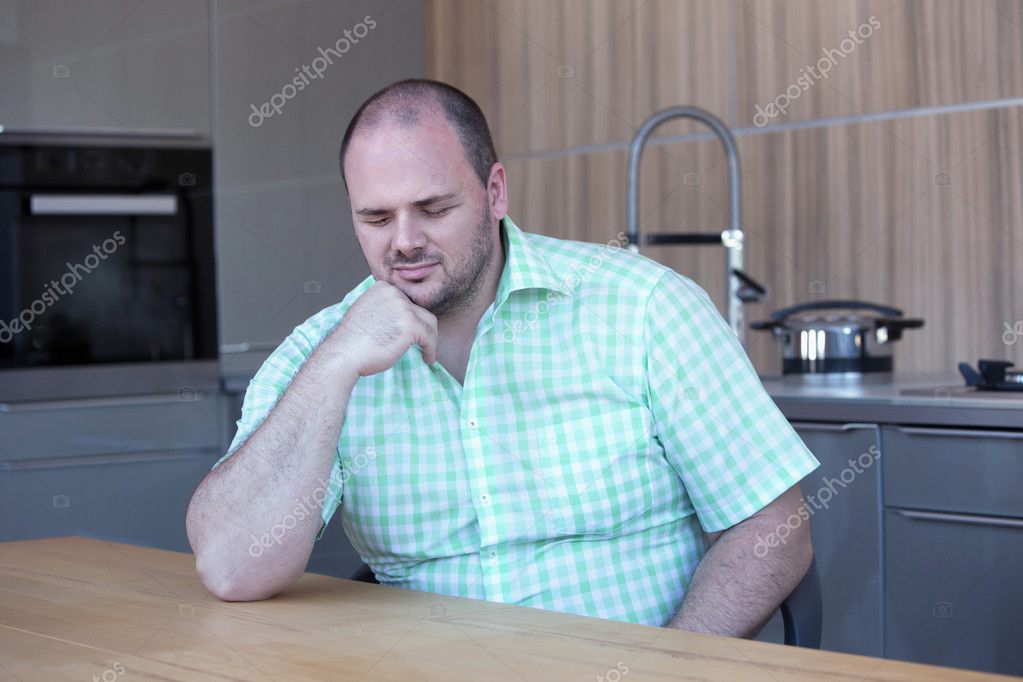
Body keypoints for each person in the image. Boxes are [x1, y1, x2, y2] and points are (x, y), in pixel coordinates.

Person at [186, 78, 820, 638]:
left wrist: (673, 667)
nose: (404, 242)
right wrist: (333, 368)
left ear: (494, 192)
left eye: (434, 209)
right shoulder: (322, 351)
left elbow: (773, 526)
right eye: (376, 218)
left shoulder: (646, 308)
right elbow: (231, 568)